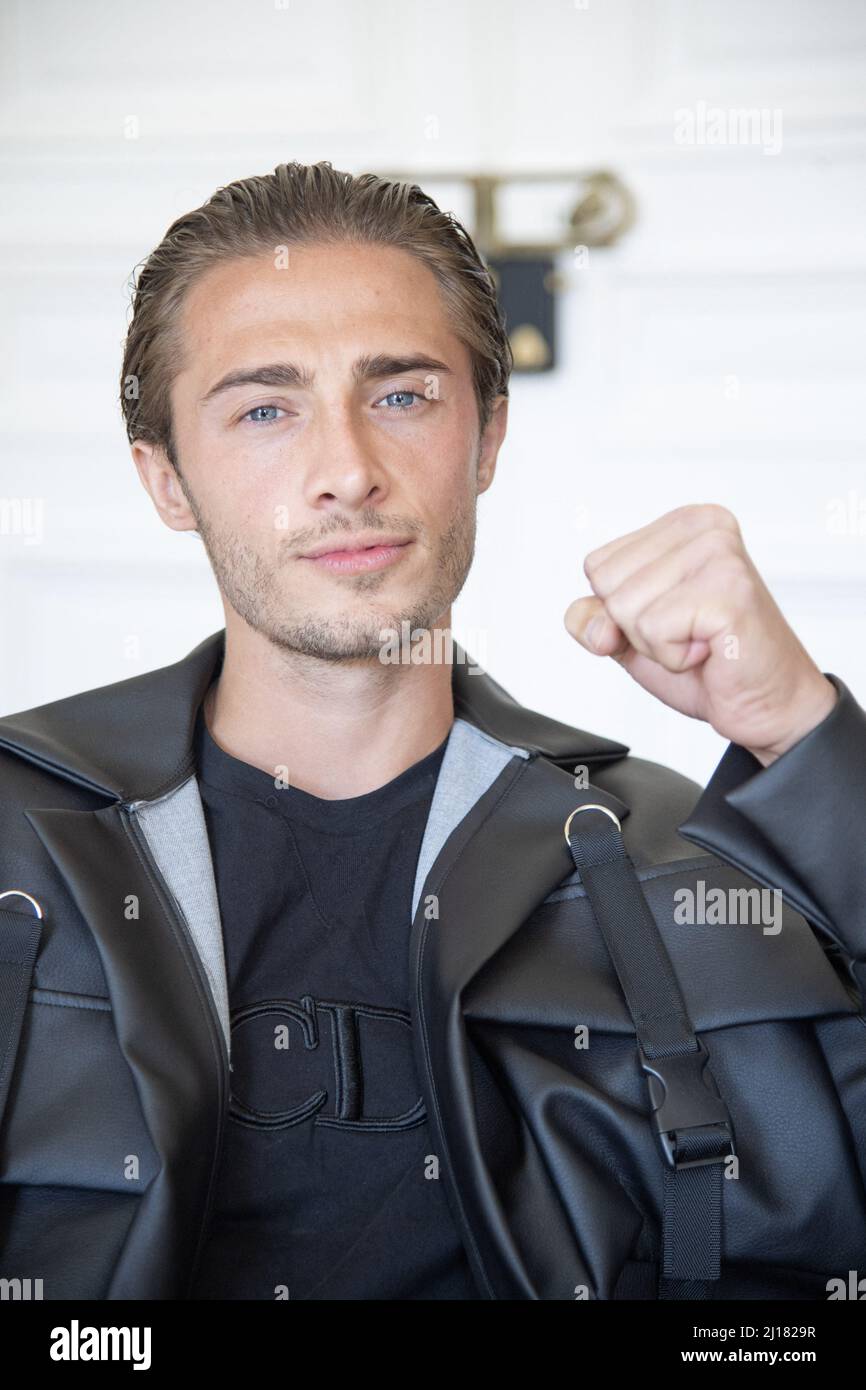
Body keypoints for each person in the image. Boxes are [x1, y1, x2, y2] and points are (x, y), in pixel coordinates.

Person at [0, 161, 863, 1301]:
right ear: (166, 480)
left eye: (401, 394)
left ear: (486, 437)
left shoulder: (672, 856)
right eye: (265, 408)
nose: (346, 471)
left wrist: (799, 733)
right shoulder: (21, 832)